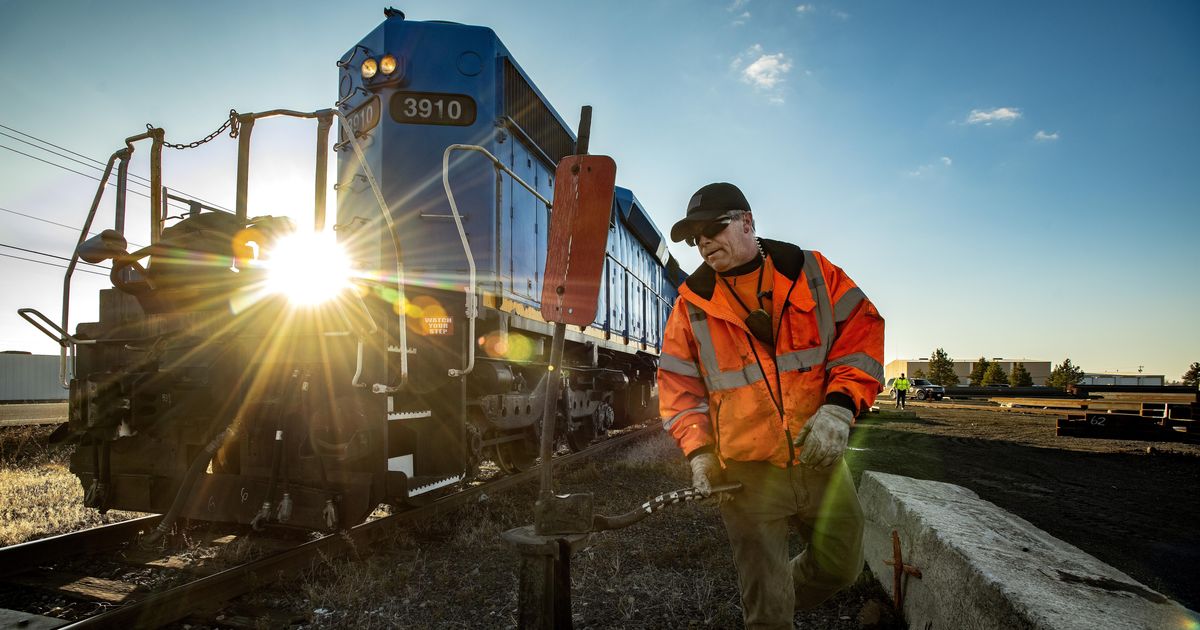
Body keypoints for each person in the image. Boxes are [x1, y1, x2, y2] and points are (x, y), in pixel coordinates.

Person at [658, 182, 885, 629]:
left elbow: (862, 333)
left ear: (747, 222)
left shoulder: (813, 273)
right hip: (747, 475)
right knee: (767, 611)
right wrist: (701, 454)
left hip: (819, 458)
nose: (703, 242)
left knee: (842, 566)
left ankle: (777, 595)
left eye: (712, 228)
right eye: (694, 237)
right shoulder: (691, 306)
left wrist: (840, 407)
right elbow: (678, 387)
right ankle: (769, 609)